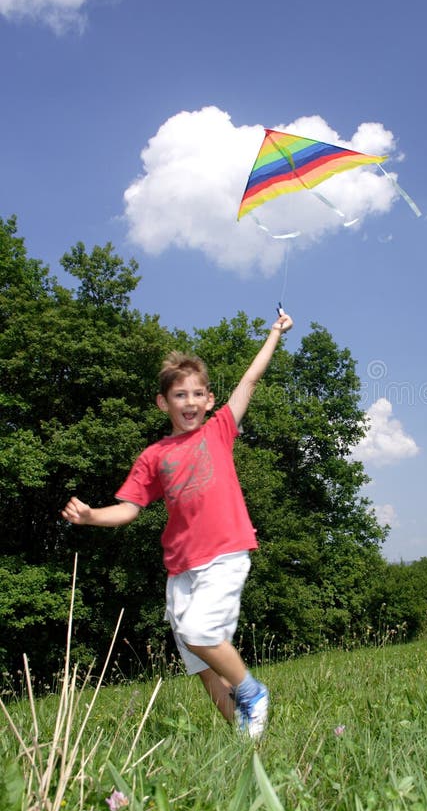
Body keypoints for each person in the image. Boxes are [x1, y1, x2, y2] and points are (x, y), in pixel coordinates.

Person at [61, 310, 293, 739]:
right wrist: (92, 516)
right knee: (201, 662)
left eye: (197, 394)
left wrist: (275, 333)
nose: (189, 402)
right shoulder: (154, 457)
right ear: (163, 402)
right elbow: (128, 508)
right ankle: (247, 736)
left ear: (208, 400)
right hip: (181, 567)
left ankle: (252, 691)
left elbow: (249, 381)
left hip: (225, 554)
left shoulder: (220, 429)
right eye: (179, 395)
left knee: (201, 632)